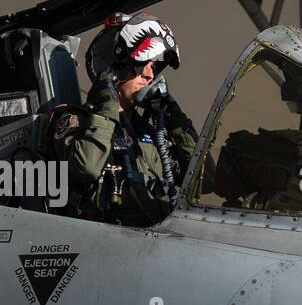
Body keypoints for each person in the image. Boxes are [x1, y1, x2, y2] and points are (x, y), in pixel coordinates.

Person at [45, 12, 199, 227]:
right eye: (144, 63)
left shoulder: (147, 132)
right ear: (116, 67)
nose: (149, 75)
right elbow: (87, 166)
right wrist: (107, 103)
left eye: (155, 67)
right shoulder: (73, 119)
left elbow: (203, 179)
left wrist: (175, 119)